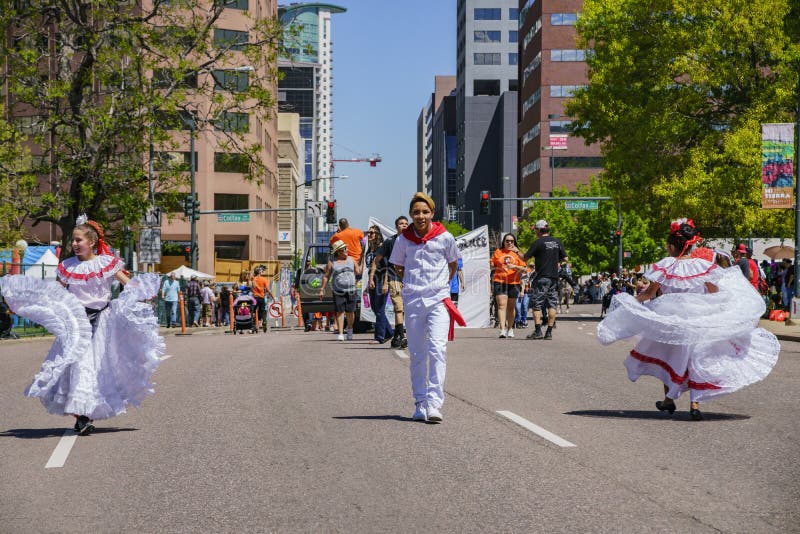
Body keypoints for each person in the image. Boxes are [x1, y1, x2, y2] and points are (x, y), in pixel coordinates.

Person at [598, 218, 780, 421]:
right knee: (695, 360)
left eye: (668, 245)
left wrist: (629, 302)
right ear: (690, 244)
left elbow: (649, 295)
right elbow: (713, 292)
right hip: (698, 321)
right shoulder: (703, 266)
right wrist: (719, 309)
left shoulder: (665, 266)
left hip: (672, 321)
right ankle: (694, 403)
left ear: (672, 246)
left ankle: (669, 399)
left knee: (668, 355)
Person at [0, 216, 163, 435]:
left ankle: (88, 412)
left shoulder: (107, 262)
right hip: (76, 323)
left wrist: (142, 291)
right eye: (74, 241)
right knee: (76, 366)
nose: (75, 244)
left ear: (92, 242)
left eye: (79, 240)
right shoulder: (67, 266)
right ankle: (82, 416)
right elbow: (56, 293)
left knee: (99, 366)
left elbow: (128, 284)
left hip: (103, 320)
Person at [390, 192, 463, 424]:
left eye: (424, 212)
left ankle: (434, 405)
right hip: (413, 300)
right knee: (418, 354)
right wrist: (413, 284)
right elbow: (398, 266)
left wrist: (440, 284)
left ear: (432, 213)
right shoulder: (403, 239)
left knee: (437, 349)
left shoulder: (445, 237)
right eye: (416, 212)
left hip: (438, 300)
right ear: (411, 215)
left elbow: (453, 263)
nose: (420, 216)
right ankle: (420, 403)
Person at [523, 219, 567, 340]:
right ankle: (549, 332)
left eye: (535, 230)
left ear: (538, 230)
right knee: (552, 305)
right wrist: (554, 261)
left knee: (537, 304)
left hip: (542, 277)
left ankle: (538, 331)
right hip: (554, 278)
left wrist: (517, 252)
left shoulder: (538, 242)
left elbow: (525, 258)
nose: (535, 232)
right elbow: (566, 258)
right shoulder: (557, 242)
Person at [371, 216, 410, 349]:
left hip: (412, 279)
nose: (404, 225)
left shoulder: (413, 241)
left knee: (410, 309)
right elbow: (377, 260)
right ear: (396, 226)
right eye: (401, 224)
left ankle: (398, 337)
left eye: (406, 223)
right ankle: (401, 335)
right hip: (395, 277)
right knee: (399, 307)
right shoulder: (390, 242)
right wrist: (372, 278)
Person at [320, 240, 362, 341]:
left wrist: (362, 261)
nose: (347, 250)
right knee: (340, 312)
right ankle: (340, 333)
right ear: (338, 251)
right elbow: (326, 276)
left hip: (351, 290)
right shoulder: (332, 262)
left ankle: (350, 329)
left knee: (351, 312)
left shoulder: (351, 260)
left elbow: (358, 271)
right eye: (344, 249)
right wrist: (322, 289)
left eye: (346, 248)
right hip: (338, 291)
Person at [491, 233, 527, 338]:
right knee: (502, 305)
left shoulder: (517, 253)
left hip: (514, 283)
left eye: (511, 241)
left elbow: (525, 269)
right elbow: (492, 265)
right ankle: (502, 330)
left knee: (511, 307)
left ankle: (510, 329)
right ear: (504, 242)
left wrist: (515, 266)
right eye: (507, 241)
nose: (509, 243)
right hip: (500, 281)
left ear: (514, 242)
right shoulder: (498, 252)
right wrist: (491, 265)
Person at [365, 225, 393, 343]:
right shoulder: (369, 249)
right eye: (368, 233)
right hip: (373, 280)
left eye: (372, 233)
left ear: (377, 234)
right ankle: (390, 332)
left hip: (381, 279)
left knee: (380, 309)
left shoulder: (382, 248)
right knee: (375, 308)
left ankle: (380, 337)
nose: (369, 235)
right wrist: (369, 281)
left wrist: (386, 282)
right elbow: (369, 266)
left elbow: (387, 267)